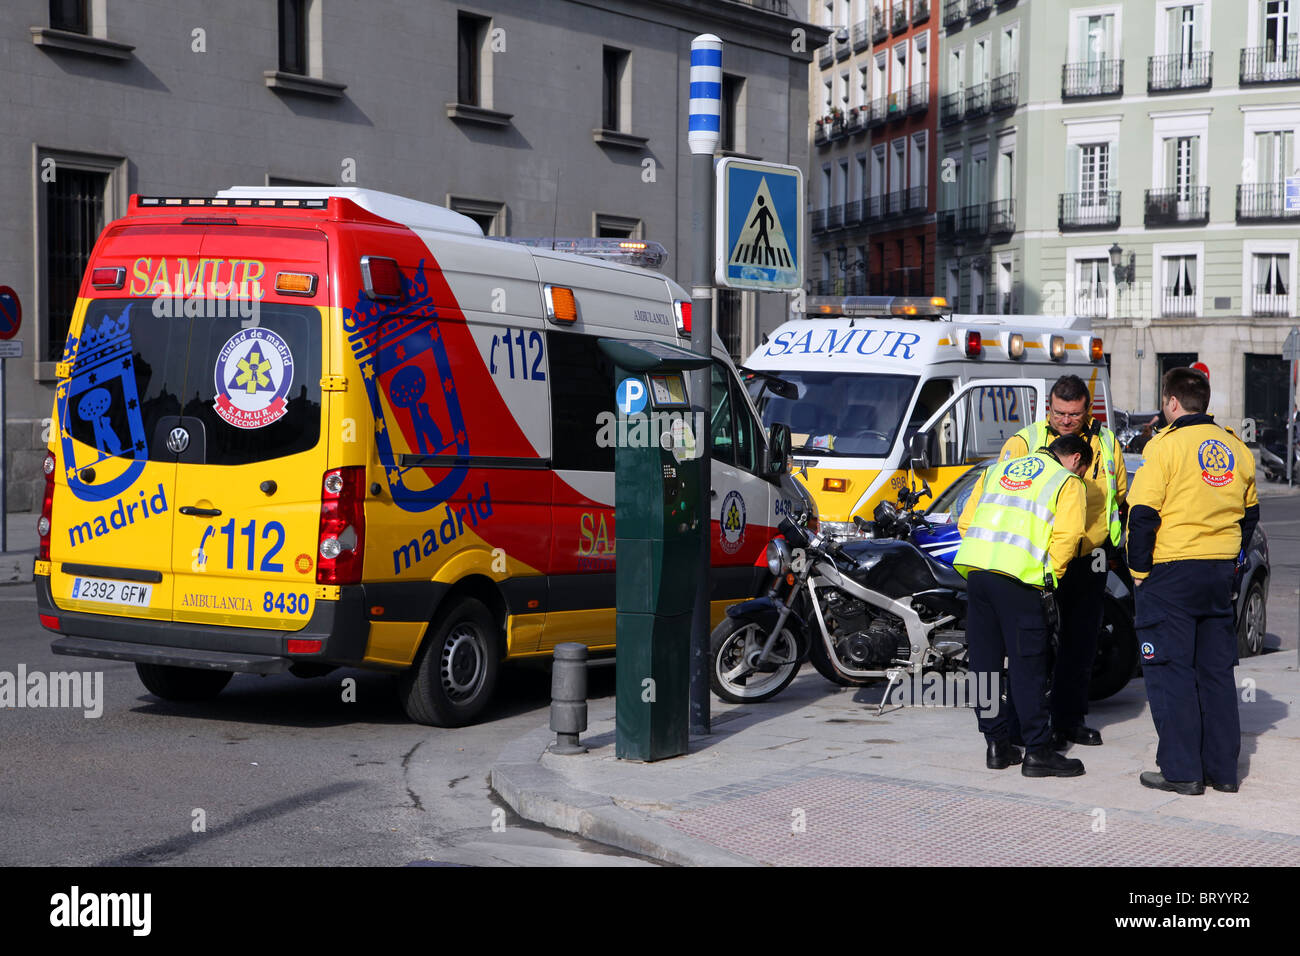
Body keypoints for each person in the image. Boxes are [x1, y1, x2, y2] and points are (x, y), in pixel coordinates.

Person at [1127, 368, 1259, 795]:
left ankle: (1182, 771)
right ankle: (1223, 771)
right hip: (1218, 572)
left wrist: (1140, 574)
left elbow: (1142, 516)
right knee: (1216, 673)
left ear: (1170, 403)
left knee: (1171, 672)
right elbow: (1249, 515)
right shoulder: (1235, 447)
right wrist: (1230, 560)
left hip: (1171, 573)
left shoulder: (1163, 447)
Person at [998, 374, 1126, 750]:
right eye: (1059, 413)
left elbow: (1118, 494)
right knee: (1034, 646)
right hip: (1038, 560)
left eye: (1074, 414)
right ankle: (1026, 724)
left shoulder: (1104, 441)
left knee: (1081, 643)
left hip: (1089, 559)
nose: (1066, 421)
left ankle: (1069, 720)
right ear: (1048, 408)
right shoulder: (1025, 442)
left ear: (1087, 411)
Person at [956, 434, 1091, 777]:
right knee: (1028, 666)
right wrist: (1050, 578)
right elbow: (1067, 538)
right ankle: (1037, 750)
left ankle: (997, 745)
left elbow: (964, 523)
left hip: (978, 572)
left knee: (984, 665)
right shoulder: (1067, 481)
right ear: (1076, 460)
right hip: (1021, 580)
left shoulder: (997, 470)